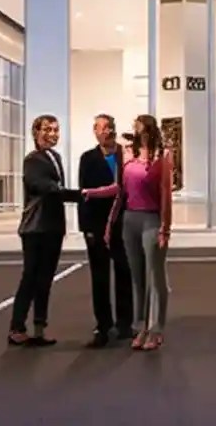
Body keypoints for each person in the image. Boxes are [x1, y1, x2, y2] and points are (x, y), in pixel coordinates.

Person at [8, 114, 84, 347]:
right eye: (47, 129)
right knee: (30, 277)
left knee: (45, 280)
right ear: (36, 133)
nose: (52, 134)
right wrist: (83, 195)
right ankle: (17, 327)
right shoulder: (33, 160)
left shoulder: (55, 157)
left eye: (55, 129)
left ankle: (39, 328)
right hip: (35, 228)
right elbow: (46, 188)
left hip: (52, 227)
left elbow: (55, 189)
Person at [105, 114, 173, 352]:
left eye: (140, 129)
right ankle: (141, 326)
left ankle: (156, 329)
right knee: (137, 277)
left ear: (149, 131)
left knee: (155, 277)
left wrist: (166, 226)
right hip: (130, 219)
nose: (136, 133)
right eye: (134, 128)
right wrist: (110, 222)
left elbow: (166, 193)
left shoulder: (162, 156)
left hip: (152, 219)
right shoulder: (127, 154)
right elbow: (120, 191)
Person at [76, 114, 135, 348]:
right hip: (97, 227)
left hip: (124, 224)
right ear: (95, 131)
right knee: (99, 278)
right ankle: (103, 325)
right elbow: (84, 195)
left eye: (110, 127)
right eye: (102, 128)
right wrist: (86, 228)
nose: (107, 132)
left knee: (124, 274)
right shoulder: (87, 159)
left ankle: (124, 324)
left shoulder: (127, 155)